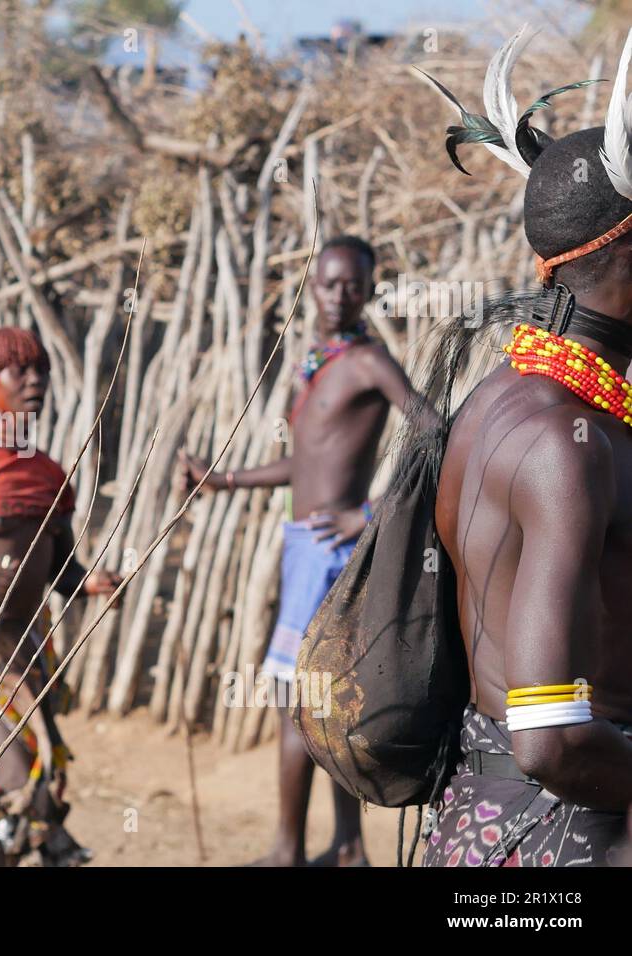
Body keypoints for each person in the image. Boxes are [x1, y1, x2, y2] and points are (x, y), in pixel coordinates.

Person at [414, 27, 632, 866]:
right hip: (565, 836)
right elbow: (550, 742)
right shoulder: (563, 446)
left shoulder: (499, 400)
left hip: (483, 821)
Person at [179, 235, 428, 867]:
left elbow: (433, 430)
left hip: (327, 552)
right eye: (327, 282)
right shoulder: (319, 360)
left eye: (353, 284)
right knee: (327, 705)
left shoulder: (370, 361)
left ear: (370, 289)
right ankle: (347, 848)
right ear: (310, 286)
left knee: (301, 706)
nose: (338, 295)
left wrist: (369, 514)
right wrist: (222, 480)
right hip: (305, 546)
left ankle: (288, 851)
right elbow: (309, 460)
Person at [0, 327, 120, 866]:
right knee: (19, 761)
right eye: (21, 371)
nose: (36, 380)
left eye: (42, 371)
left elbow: (63, 571)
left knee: (46, 770)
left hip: (28, 653)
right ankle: (50, 845)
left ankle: (31, 845)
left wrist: (94, 584)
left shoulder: (49, 473)